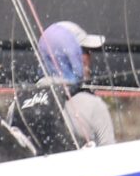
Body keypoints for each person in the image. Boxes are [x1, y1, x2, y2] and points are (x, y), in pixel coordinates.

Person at [37, 20, 116, 148]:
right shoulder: (93, 106)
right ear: (70, 55)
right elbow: (110, 157)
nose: (90, 57)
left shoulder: (17, 104)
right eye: (85, 51)